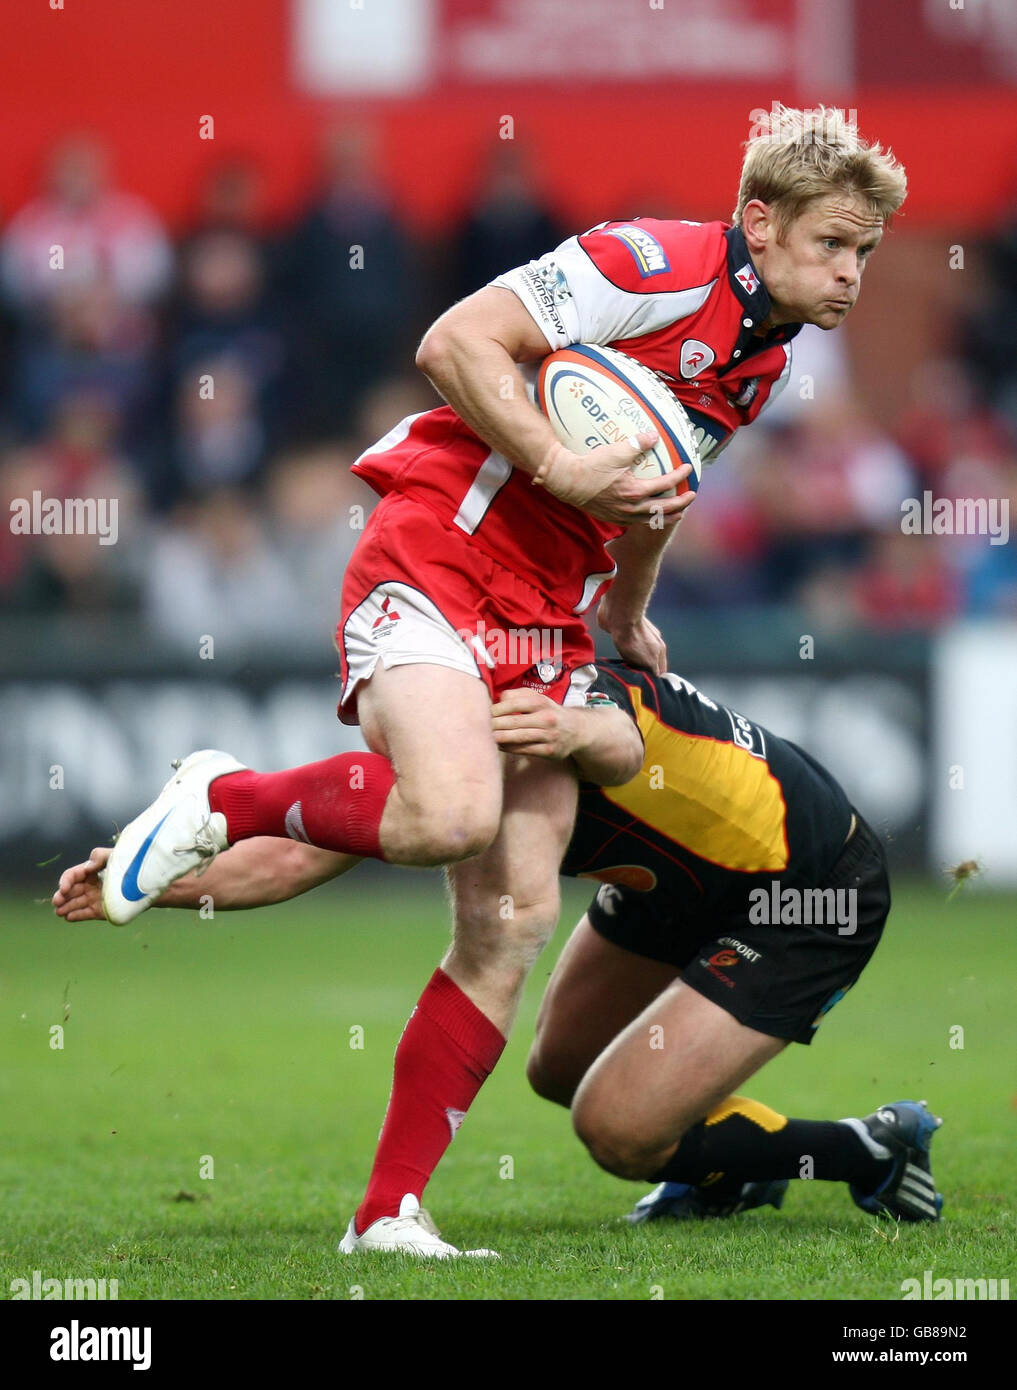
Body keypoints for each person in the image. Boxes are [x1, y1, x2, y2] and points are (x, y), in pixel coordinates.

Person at [96, 105, 909, 1253]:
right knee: (447, 810)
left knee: (512, 917)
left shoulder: (763, 356)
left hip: (548, 615)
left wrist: (628, 607)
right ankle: (222, 794)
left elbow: (654, 491)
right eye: (834, 244)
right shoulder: (651, 261)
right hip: (442, 547)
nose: (852, 274)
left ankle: (387, 1216)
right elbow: (450, 343)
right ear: (759, 220)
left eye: (866, 253)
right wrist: (559, 465)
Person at [54, 661, 943, 1239]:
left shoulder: (544, 697)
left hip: (806, 888)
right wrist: (145, 882)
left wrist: (564, 730)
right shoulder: (449, 746)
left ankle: (869, 1147)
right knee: (557, 1071)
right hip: (674, 884)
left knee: (616, 1129)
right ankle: (723, 1169)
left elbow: (612, 728)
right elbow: (294, 853)